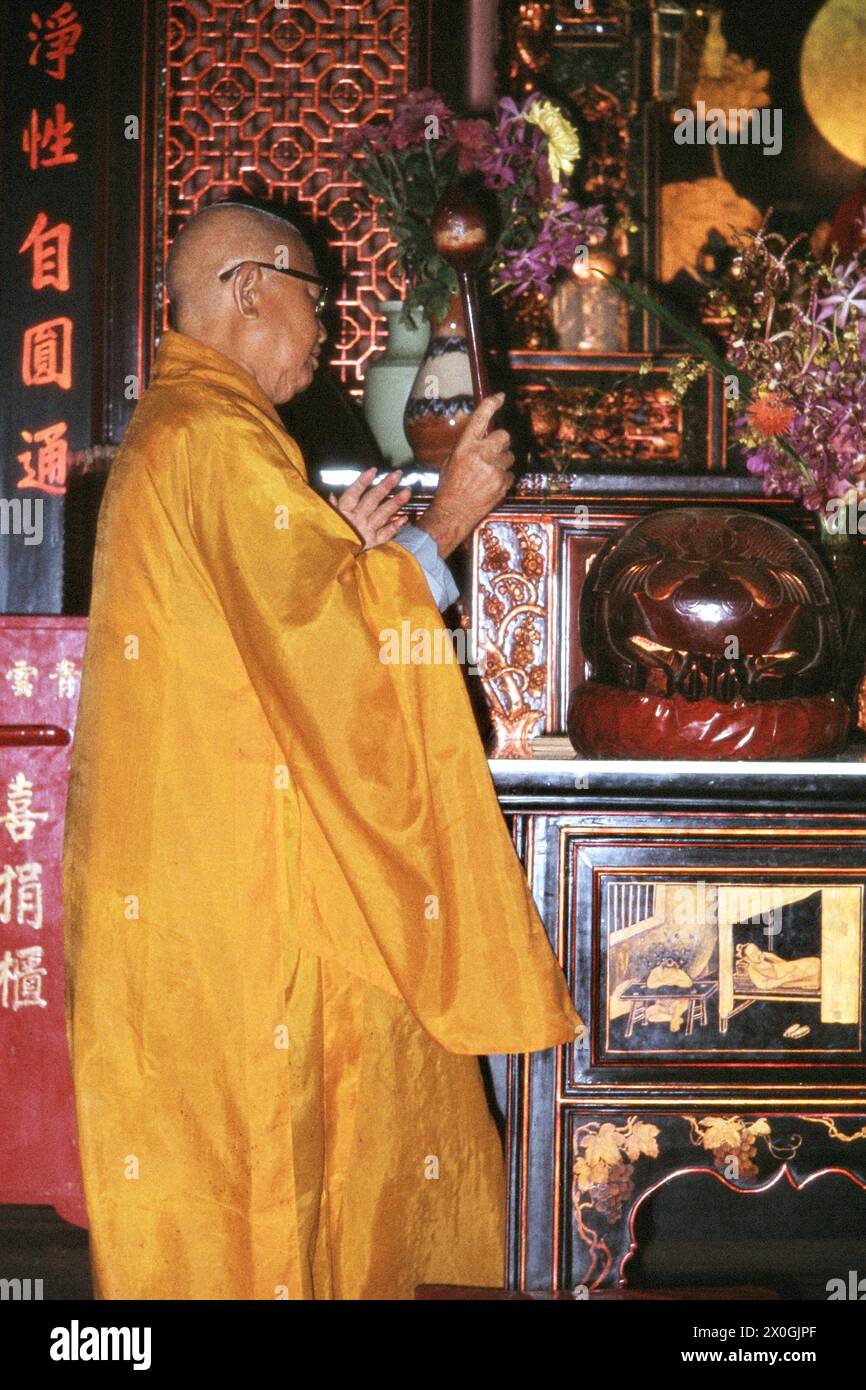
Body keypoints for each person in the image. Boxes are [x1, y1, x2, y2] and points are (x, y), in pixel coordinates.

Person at [62, 200, 583, 1301]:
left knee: (241, 1188)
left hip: (193, 892)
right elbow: (319, 645)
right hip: (237, 902)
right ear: (249, 289)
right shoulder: (215, 433)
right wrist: (448, 523)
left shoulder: (185, 428)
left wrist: (342, 545)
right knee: (265, 1183)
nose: (322, 325)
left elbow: (261, 621)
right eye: (314, 296)